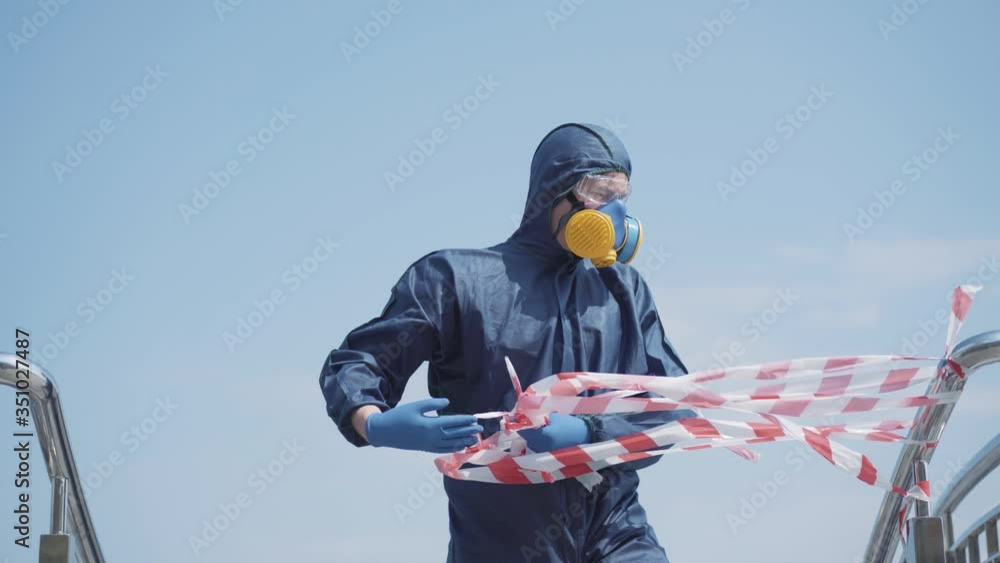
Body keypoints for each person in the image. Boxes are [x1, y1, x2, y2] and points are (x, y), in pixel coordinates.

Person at [320, 122, 694, 562]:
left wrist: (589, 433)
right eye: (598, 193)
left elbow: (673, 407)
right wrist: (373, 423)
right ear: (555, 192)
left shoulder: (623, 290)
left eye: (621, 196)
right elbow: (359, 363)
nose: (613, 212)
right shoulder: (455, 280)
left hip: (618, 534)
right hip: (501, 544)